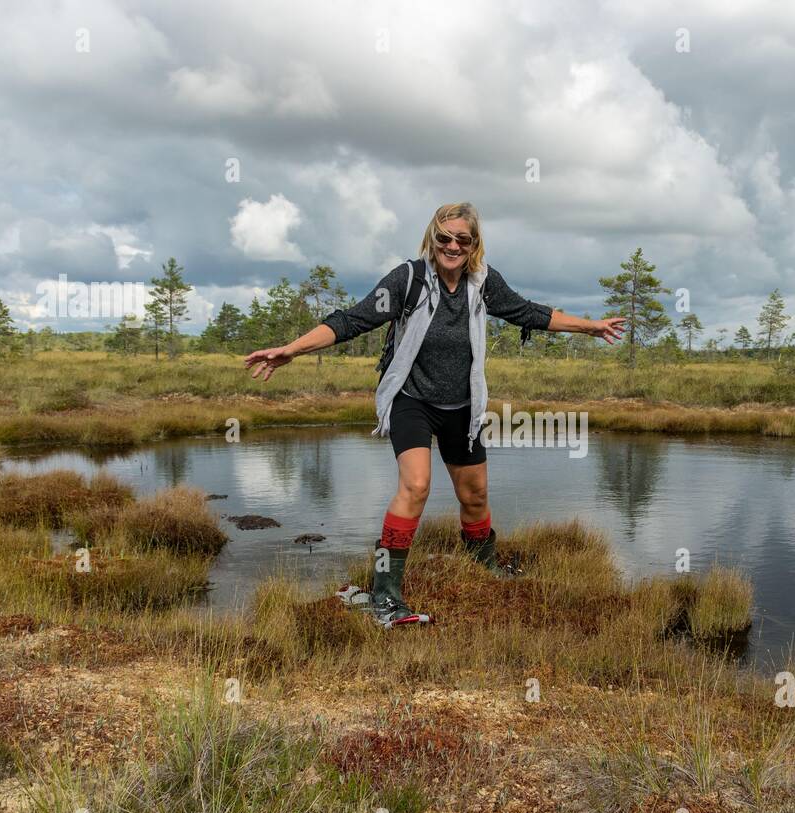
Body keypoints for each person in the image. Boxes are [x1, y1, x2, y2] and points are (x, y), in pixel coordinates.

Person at [244, 202, 625, 626]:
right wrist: (291, 350)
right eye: (444, 237)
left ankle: (484, 568)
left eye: (462, 239)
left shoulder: (483, 283)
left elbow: (530, 313)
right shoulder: (407, 280)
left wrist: (591, 327)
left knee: (475, 496)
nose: (452, 245)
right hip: (412, 401)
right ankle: (385, 595)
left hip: (462, 406)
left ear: (474, 244)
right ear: (432, 238)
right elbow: (352, 320)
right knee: (417, 485)